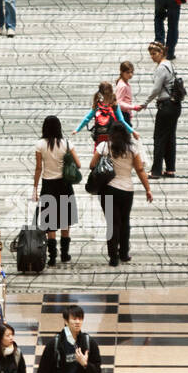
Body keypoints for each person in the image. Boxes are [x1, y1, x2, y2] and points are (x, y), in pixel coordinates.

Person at [92, 123, 154, 266]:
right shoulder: (132, 148)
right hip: (127, 190)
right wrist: (148, 189)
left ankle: (113, 258)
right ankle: (124, 254)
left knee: (112, 224)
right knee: (124, 222)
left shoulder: (104, 146)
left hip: (107, 190)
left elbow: (92, 164)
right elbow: (139, 170)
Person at [33, 116, 78, 267]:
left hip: (48, 186)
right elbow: (78, 163)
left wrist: (35, 189)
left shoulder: (40, 144)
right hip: (64, 185)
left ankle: (52, 257)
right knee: (65, 220)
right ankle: (65, 255)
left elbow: (39, 168)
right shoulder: (66, 143)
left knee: (49, 222)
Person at [144, 41, 179, 178]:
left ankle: (156, 171)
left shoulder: (161, 68)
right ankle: (170, 169)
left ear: (162, 52)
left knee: (159, 138)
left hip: (166, 105)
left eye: (155, 53)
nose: (152, 56)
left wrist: (145, 103)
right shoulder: (170, 64)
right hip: (175, 105)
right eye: (151, 54)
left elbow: (156, 89)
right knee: (170, 137)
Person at [74, 82, 136, 149]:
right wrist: (132, 131)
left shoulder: (98, 105)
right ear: (111, 91)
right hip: (112, 137)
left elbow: (87, 118)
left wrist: (77, 129)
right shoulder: (114, 105)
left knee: (97, 154)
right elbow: (121, 121)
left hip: (100, 137)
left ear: (100, 93)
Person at [114, 61, 143, 129]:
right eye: (128, 72)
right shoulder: (123, 85)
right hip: (122, 114)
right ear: (122, 72)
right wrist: (133, 107)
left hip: (125, 114)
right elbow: (119, 102)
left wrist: (130, 112)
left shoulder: (125, 84)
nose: (130, 75)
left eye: (132, 72)